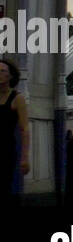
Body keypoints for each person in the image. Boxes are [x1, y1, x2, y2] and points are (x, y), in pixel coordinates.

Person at [0, 57, 29, 206]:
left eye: (2, 71)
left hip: (5, 151)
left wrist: (24, 157)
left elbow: (24, 129)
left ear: (10, 76)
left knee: (4, 188)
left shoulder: (17, 98)